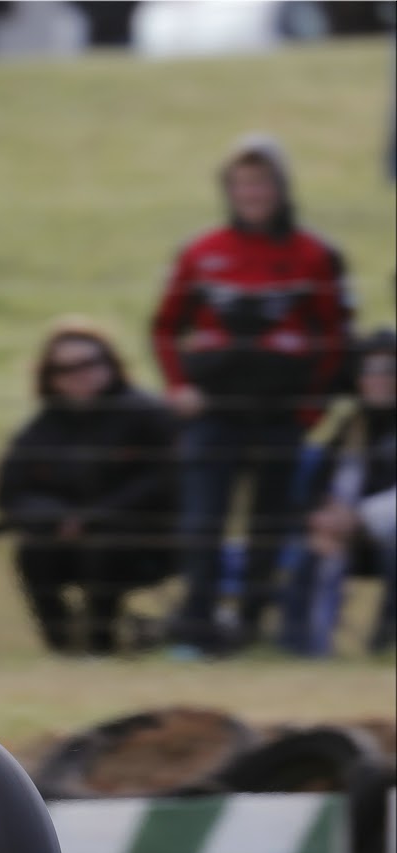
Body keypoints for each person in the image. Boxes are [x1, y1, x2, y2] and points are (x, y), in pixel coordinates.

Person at [151, 132, 354, 655]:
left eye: (261, 182)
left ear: (280, 187)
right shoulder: (202, 252)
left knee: (269, 526)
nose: (252, 193)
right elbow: (165, 326)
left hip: (281, 414)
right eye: (242, 183)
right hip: (214, 414)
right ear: (229, 189)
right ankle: (196, 632)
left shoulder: (314, 255)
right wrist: (179, 387)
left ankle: (251, 628)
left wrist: (312, 407)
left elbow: (336, 337)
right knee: (202, 525)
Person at [0, 319, 180, 655]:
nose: (79, 374)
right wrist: (56, 518)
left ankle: (99, 645)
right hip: (61, 539)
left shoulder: (148, 415)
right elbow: (12, 490)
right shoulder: (43, 427)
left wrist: (94, 517)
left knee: (103, 547)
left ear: (111, 364)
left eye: (90, 363)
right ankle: (63, 647)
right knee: (33, 553)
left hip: (144, 541)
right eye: (64, 368)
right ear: (49, 376)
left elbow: (166, 482)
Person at [279, 327, 396, 656]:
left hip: (385, 535)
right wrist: (319, 519)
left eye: (390, 371)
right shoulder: (351, 427)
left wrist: (358, 519)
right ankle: (299, 649)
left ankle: (385, 647)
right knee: (307, 551)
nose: (380, 380)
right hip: (344, 535)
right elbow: (317, 485)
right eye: (371, 372)